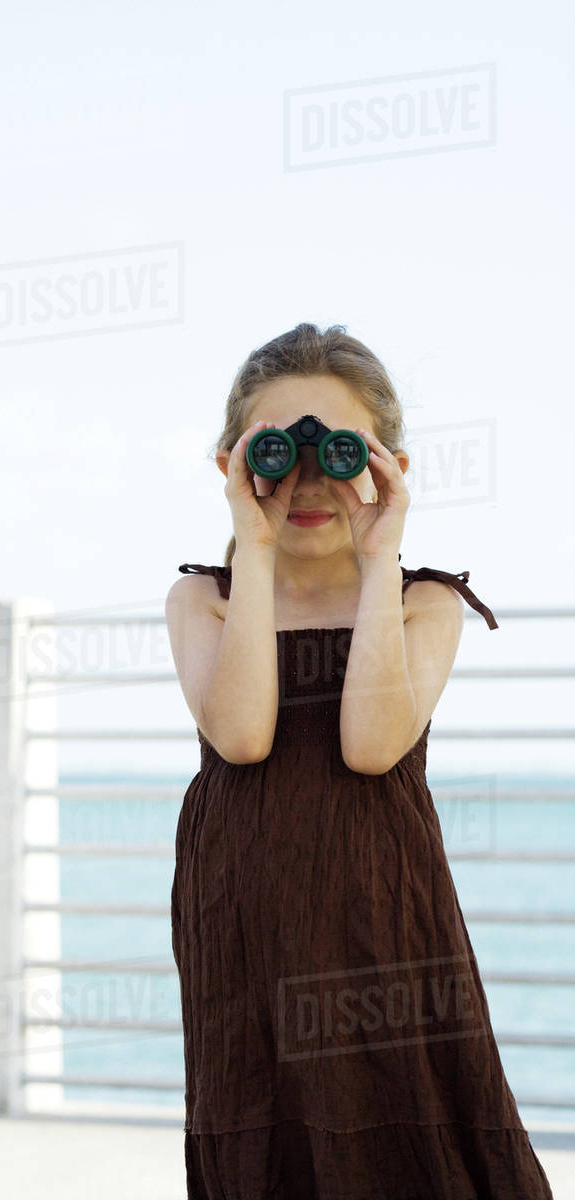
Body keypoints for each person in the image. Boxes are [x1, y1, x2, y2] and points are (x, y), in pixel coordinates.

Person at [165, 323, 554, 1199]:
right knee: (263, 1135)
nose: (307, 477)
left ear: (384, 464)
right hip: (244, 923)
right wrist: (254, 547)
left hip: (384, 914)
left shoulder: (423, 603)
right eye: (277, 451)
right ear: (231, 462)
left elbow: (374, 749)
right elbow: (242, 736)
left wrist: (380, 555)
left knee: (414, 1127)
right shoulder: (205, 599)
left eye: (338, 453)